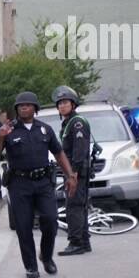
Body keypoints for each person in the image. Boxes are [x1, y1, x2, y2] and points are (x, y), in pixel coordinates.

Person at [0, 92, 79, 278]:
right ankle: (30, 266)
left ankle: (46, 256)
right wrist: (1, 137)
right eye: (20, 105)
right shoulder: (9, 130)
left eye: (28, 105)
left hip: (43, 182)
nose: (24, 107)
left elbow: (59, 153)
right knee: (23, 226)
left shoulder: (45, 129)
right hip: (19, 184)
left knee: (50, 220)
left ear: (35, 108)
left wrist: (70, 175)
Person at [53, 86, 93, 257]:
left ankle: (76, 243)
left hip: (75, 172)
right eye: (60, 103)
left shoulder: (77, 122)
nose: (62, 106)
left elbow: (79, 150)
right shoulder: (68, 122)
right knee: (79, 205)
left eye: (65, 102)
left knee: (74, 206)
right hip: (72, 171)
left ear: (73, 104)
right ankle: (84, 242)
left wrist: (73, 173)